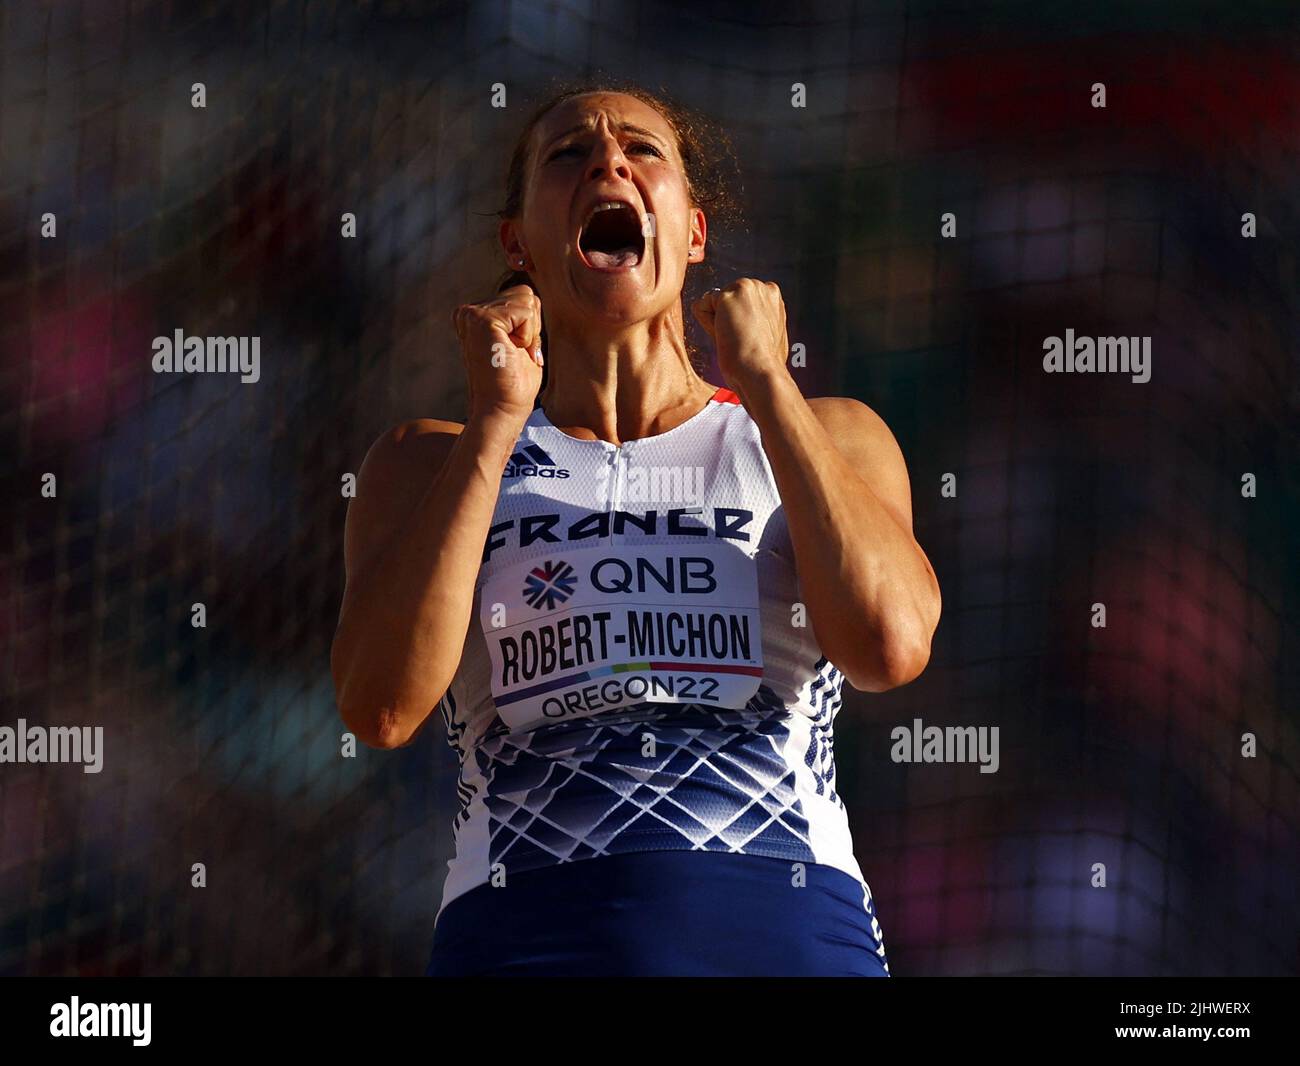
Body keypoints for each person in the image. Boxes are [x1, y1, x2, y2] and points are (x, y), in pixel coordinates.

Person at [330, 82, 942, 976]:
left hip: (786, 934)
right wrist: (498, 426)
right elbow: (381, 707)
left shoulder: (829, 434)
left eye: (642, 150)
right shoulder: (427, 462)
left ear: (693, 231)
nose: (609, 161)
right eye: (569, 154)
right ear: (518, 243)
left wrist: (769, 383)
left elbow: (889, 646)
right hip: (525, 936)